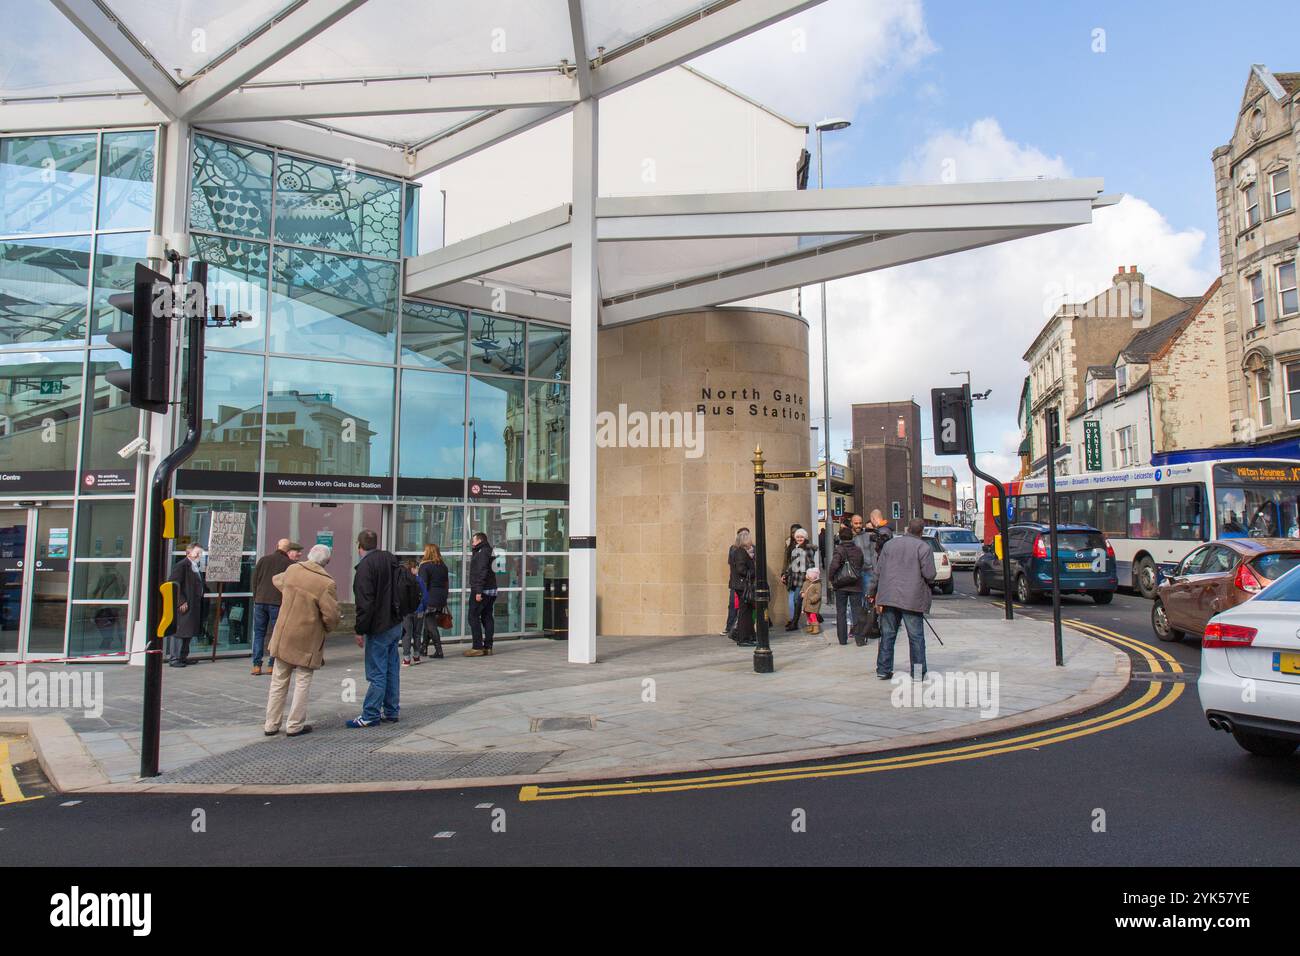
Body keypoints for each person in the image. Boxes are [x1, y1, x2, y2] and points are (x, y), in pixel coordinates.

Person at [263, 544, 340, 738]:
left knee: (278, 680)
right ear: (327, 562)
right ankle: (294, 724)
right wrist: (327, 628)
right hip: (307, 636)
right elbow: (331, 616)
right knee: (303, 680)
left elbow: (276, 580)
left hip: (284, 632)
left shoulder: (293, 569)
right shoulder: (326, 583)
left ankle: (271, 724)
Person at [346, 529, 403, 728]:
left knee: (377, 672)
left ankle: (370, 714)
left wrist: (359, 629)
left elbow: (365, 603)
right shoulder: (391, 560)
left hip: (378, 626)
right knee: (392, 669)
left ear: (359, 546)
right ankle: (392, 710)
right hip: (395, 622)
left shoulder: (364, 567)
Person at [870, 517, 937, 681]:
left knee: (888, 634)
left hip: (888, 596)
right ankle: (917, 673)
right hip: (912, 598)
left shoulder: (889, 545)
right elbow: (929, 574)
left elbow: (877, 571)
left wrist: (872, 592)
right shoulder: (923, 547)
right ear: (922, 531)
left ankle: (883, 669)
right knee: (916, 637)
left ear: (907, 529)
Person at [250, 538, 302, 676]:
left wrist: (256, 597)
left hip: (260, 601)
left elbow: (255, 580)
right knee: (276, 634)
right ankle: (271, 665)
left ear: (276, 546)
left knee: (259, 634)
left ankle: (256, 665)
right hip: (277, 603)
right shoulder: (290, 564)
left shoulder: (263, 560)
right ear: (288, 550)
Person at [166, 544, 205, 668]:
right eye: (197, 553)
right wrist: (181, 600)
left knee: (188, 631)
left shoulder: (195, 566)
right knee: (180, 631)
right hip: (185, 604)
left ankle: (183, 656)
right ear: (188, 553)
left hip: (194, 603)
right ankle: (175, 658)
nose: (199, 555)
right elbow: (173, 583)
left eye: (200, 553)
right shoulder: (182, 566)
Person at [827, 525, 864, 646]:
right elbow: (861, 564)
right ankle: (859, 639)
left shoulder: (839, 549)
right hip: (856, 584)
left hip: (841, 585)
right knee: (857, 612)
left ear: (840, 537)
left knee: (841, 612)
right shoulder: (858, 550)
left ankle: (842, 639)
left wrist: (831, 578)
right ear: (852, 537)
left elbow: (834, 566)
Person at [465, 532, 498, 657]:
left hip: (482, 590)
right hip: (491, 589)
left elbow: (482, 571)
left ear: (479, 540)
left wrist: (478, 591)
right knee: (487, 616)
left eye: (473, 541)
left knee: (473, 616)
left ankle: (477, 647)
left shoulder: (482, 552)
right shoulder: (489, 550)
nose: (472, 543)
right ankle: (488, 647)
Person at [417, 543, 449, 660]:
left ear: (428, 552)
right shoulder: (443, 566)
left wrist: (420, 599)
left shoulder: (425, 566)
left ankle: (439, 650)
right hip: (441, 598)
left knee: (430, 624)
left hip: (430, 597)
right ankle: (423, 647)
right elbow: (446, 583)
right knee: (429, 623)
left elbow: (422, 584)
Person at [782, 527, 816, 631]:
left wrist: (809, 576)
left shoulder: (808, 548)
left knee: (797, 599)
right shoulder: (795, 548)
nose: (799, 538)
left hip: (803, 578)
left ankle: (795, 622)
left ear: (805, 537)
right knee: (796, 599)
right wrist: (786, 574)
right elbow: (792, 564)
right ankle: (795, 622)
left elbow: (811, 563)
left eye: (801, 537)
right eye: (797, 537)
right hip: (794, 578)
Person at [728, 529, 756, 646]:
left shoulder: (741, 551)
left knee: (747, 611)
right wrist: (752, 572)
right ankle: (743, 638)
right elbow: (741, 569)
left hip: (742, 585)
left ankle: (747, 636)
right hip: (742, 586)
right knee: (744, 612)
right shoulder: (740, 552)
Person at [721, 527, 750, 636]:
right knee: (734, 604)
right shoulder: (733, 549)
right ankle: (730, 627)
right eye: (742, 535)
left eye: (746, 534)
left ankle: (742, 628)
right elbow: (734, 565)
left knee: (748, 605)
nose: (744, 537)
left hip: (747, 582)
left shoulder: (753, 548)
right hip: (737, 582)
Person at [400, 558, 427, 667]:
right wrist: (423, 608)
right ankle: (416, 656)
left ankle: (406, 658)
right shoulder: (419, 580)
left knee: (406, 634)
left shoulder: (402, 580)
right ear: (413, 568)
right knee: (417, 633)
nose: (418, 570)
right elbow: (425, 596)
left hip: (406, 612)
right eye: (417, 568)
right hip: (419, 610)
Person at [800, 567, 823, 635]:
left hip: (813, 604)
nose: (806, 576)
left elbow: (818, 594)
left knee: (813, 615)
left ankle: (816, 627)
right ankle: (811, 626)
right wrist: (802, 593)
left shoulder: (817, 584)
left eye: (808, 575)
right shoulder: (805, 583)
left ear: (812, 576)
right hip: (806, 603)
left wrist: (812, 599)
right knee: (808, 615)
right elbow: (802, 589)